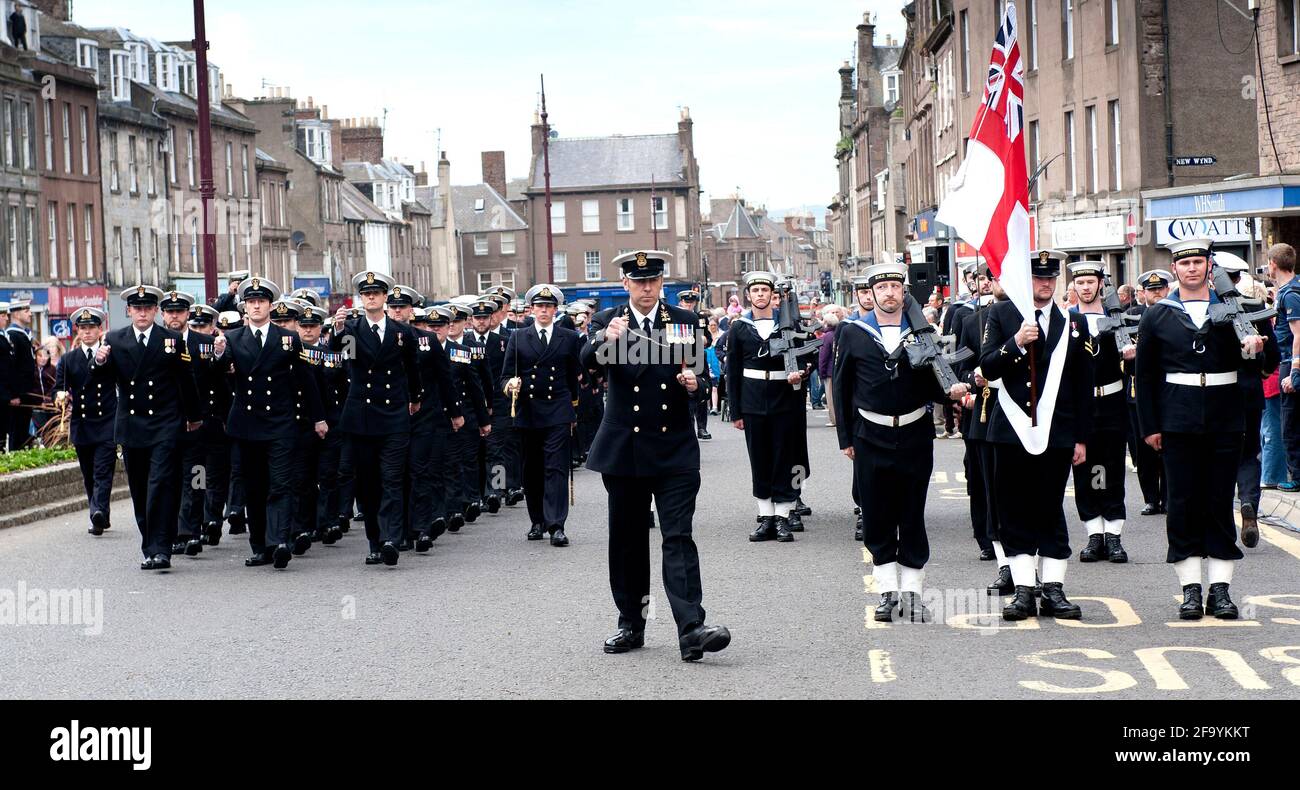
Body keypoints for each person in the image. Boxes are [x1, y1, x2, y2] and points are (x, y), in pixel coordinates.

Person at [582, 250, 730, 661]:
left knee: (677, 535)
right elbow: (586, 365)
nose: (646, 288)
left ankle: (691, 628)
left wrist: (694, 383)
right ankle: (632, 622)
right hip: (625, 448)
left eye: (653, 281)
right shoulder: (609, 320)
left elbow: (703, 375)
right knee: (627, 541)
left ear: (661, 283)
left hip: (673, 447)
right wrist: (603, 340)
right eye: (638, 281)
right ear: (626, 283)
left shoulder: (682, 322)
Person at [1137, 238, 1270, 620]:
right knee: (1181, 503)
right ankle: (1191, 590)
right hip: (1176, 419)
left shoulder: (1234, 309)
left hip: (1225, 416)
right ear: (1175, 269)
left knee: (1216, 501)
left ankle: (1221, 591)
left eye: (1198, 262)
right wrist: (1150, 426)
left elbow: (1265, 361)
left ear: (1209, 267)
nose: (1192, 268)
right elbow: (1145, 377)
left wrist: (1254, 347)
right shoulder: (1158, 314)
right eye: (1185, 263)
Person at [834, 262, 968, 622]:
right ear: (871, 294)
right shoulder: (854, 333)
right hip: (869, 435)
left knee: (911, 514)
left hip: (914, 434)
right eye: (882, 288)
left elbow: (934, 387)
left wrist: (951, 391)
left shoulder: (922, 333)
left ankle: (912, 592)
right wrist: (846, 438)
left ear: (903, 291)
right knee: (877, 515)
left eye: (895, 287)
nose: (889, 294)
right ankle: (886, 591)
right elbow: (842, 388)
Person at [979, 250, 1094, 621]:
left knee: (1050, 508)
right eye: (1037, 278)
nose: (1044, 284)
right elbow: (987, 365)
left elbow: (1081, 385)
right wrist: (1015, 343)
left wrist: (1081, 436)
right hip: (1011, 429)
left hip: (1057, 431)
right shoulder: (1000, 315)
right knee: (1014, 509)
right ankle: (1025, 589)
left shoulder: (1072, 323)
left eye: (1049, 278)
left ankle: (1054, 588)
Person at [213, 281, 326, 569]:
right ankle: (260, 545)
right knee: (255, 486)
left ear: (270, 306)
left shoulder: (288, 338)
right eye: (251, 302)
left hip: (280, 421)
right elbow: (221, 373)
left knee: (281, 484)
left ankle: (279, 542)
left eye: (261, 301)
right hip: (248, 424)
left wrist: (318, 417)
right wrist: (217, 354)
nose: (256, 306)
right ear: (245, 307)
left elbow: (306, 379)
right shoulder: (234, 338)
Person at [94, 285, 202, 570]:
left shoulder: (171, 340)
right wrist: (100, 361)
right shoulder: (115, 339)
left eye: (148, 308)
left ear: (156, 311)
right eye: (137, 308)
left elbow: (185, 380)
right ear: (129, 311)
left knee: (161, 486)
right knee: (140, 489)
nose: (142, 312)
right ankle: (149, 545)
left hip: (165, 423)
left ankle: (161, 548)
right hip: (132, 424)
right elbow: (102, 379)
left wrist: (193, 415)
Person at [329, 271, 423, 566]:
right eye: (365, 294)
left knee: (393, 479)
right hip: (362, 417)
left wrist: (415, 398)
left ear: (385, 297)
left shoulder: (401, 332)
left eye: (375, 293)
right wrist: (338, 330)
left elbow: (412, 368)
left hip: (394, 414)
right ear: (361, 298)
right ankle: (375, 540)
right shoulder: (353, 330)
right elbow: (343, 356)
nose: (370, 297)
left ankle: (392, 538)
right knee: (369, 483)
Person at [728, 271, 813, 542]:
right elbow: (733, 370)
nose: (761, 295)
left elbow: (806, 358)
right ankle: (765, 517)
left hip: (783, 398)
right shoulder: (740, 327)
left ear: (772, 295)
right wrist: (737, 411)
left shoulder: (788, 323)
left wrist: (801, 373)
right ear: (749, 296)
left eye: (765, 290)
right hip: (753, 400)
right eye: (756, 291)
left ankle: (783, 518)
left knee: (783, 459)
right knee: (760, 460)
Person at [503, 284, 581, 547]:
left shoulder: (568, 337)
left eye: (548, 306)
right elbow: (504, 375)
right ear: (532, 309)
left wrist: (573, 408)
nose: (544, 310)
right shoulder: (518, 337)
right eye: (539, 306)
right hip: (529, 409)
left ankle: (556, 524)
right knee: (533, 469)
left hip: (557, 408)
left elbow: (573, 376)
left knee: (556, 467)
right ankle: (537, 520)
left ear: (555, 309)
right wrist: (509, 385)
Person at [1067, 261, 1132, 563]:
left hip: (1113, 402)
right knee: (1085, 469)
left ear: (1100, 284)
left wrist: (1132, 354)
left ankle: (1114, 536)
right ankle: (1094, 533)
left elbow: (1137, 365)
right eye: (1080, 283)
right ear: (1074, 286)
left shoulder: (1117, 320)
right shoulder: (1067, 322)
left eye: (1091, 282)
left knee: (1112, 467)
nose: (1086, 287)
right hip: (1081, 405)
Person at [1217, 252, 1280, 548]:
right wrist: (1259, 369)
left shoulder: (1209, 312)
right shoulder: (1256, 307)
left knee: (1218, 457)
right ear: (1239, 278)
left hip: (1218, 395)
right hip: (1250, 394)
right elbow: (1273, 358)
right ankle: (1249, 504)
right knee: (1249, 453)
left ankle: (1221, 519)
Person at [54, 308, 116, 536]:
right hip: (82, 423)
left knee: (103, 471)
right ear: (77, 331)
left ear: (100, 330)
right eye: (83, 328)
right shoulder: (69, 359)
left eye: (92, 328)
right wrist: (60, 398)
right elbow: (58, 388)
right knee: (89, 472)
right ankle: (99, 512)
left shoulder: (110, 355)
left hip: (107, 421)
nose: (88, 332)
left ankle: (98, 511)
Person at [955, 265, 1000, 565]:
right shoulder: (970, 321)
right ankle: (985, 537)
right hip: (980, 412)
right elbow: (959, 367)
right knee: (980, 480)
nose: (986, 284)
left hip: (1012, 411)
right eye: (983, 279)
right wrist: (973, 382)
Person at [1126, 270, 1172, 513]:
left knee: (1168, 447)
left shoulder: (1173, 313)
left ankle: (1167, 496)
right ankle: (1151, 498)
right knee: (1143, 448)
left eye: (1160, 288)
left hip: (1166, 387)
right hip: (1138, 390)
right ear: (1143, 292)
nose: (1156, 293)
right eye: (1151, 289)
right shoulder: (1131, 316)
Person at [187, 304, 232, 548]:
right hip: (194, 425)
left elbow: (227, 384)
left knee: (216, 476)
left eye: (203, 325)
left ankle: (213, 520)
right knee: (198, 478)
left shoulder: (219, 349)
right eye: (195, 326)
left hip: (217, 422)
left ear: (212, 327)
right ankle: (198, 523)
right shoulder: (186, 350)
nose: (199, 330)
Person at [1269, 243, 1300, 493]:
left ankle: (1297, 476)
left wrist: (1294, 372)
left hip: (1290, 362)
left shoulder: (1290, 293)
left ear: (1273, 264)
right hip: (1289, 361)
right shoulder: (1290, 289)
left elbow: (1298, 334)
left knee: (1290, 424)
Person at [6, 300, 38, 451]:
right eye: (26, 311)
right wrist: (13, 394)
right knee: (17, 431)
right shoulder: (13, 335)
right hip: (19, 394)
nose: (30, 313)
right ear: (16, 314)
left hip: (27, 392)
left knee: (23, 430)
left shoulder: (24, 335)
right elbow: (10, 368)